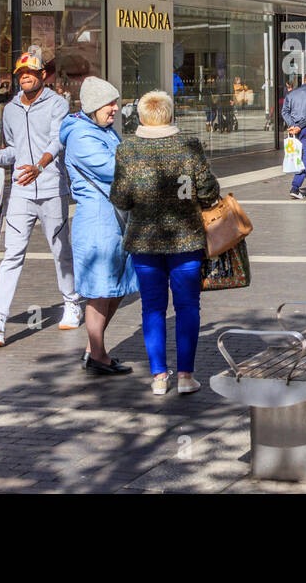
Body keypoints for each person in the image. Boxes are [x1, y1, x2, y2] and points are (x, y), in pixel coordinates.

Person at [110, 90, 220, 396]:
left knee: (153, 308)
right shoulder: (188, 144)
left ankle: (159, 376)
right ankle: (185, 376)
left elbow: (119, 197)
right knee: (187, 306)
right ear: (170, 115)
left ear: (141, 117)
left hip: (144, 242)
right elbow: (208, 190)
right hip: (186, 240)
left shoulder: (128, 148)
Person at [0, 46, 81, 347]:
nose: (25, 78)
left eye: (31, 74)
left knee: (60, 250)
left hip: (51, 189)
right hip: (21, 191)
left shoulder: (57, 104)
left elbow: (57, 141)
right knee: (12, 254)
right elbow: (14, 149)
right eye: (21, 74)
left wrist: (40, 166)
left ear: (42, 75)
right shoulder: (9, 109)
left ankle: (72, 302)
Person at [60, 77, 138, 376]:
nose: (115, 109)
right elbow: (114, 169)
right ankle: (98, 354)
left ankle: (95, 350)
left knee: (116, 287)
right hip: (98, 221)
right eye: (110, 104)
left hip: (116, 218)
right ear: (93, 106)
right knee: (99, 291)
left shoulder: (103, 131)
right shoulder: (82, 136)